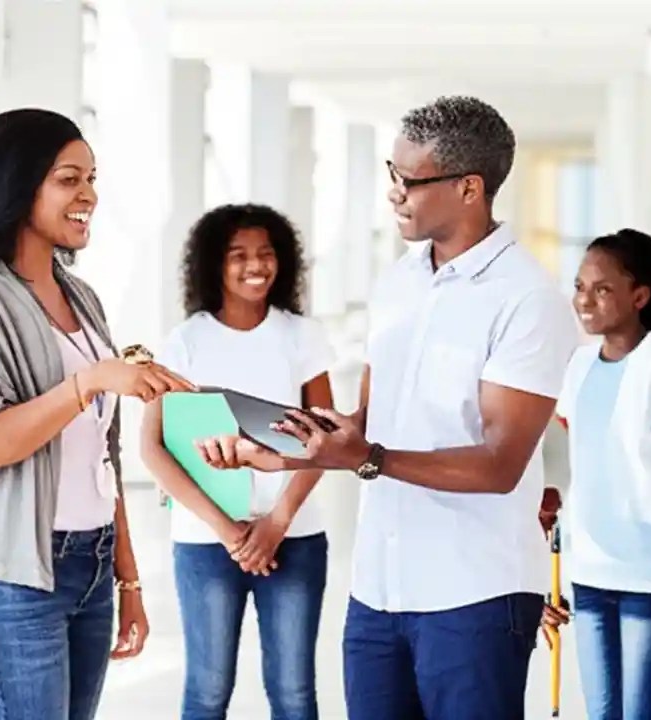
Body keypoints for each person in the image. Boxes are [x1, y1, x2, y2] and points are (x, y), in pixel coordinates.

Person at [197, 96, 579, 719]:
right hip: (379, 589)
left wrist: (368, 458)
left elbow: (499, 463)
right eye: (390, 173)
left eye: (410, 180)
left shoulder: (526, 300)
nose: (394, 193)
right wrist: (283, 449)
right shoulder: (400, 282)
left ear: (468, 188)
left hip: (475, 593)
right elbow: (367, 424)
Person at [0, 108, 193, 720]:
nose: (90, 195)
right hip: (7, 578)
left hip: (89, 563)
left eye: (92, 178)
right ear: (18, 186)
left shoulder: (81, 297)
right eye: (69, 179)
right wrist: (93, 380)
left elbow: (104, 454)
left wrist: (128, 579)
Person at [140, 204, 335, 720]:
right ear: (213, 265)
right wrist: (230, 532)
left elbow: (327, 441)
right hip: (206, 543)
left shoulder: (302, 336)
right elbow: (153, 448)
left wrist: (276, 522)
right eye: (239, 255)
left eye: (267, 254)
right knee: (207, 692)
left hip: (294, 537)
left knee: (294, 694)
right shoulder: (185, 342)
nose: (256, 266)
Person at [538, 229, 651, 720]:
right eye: (578, 286)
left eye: (602, 289)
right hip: (588, 573)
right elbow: (583, 455)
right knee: (602, 714)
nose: (584, 300)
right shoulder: (579, 365)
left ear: (640, 296)